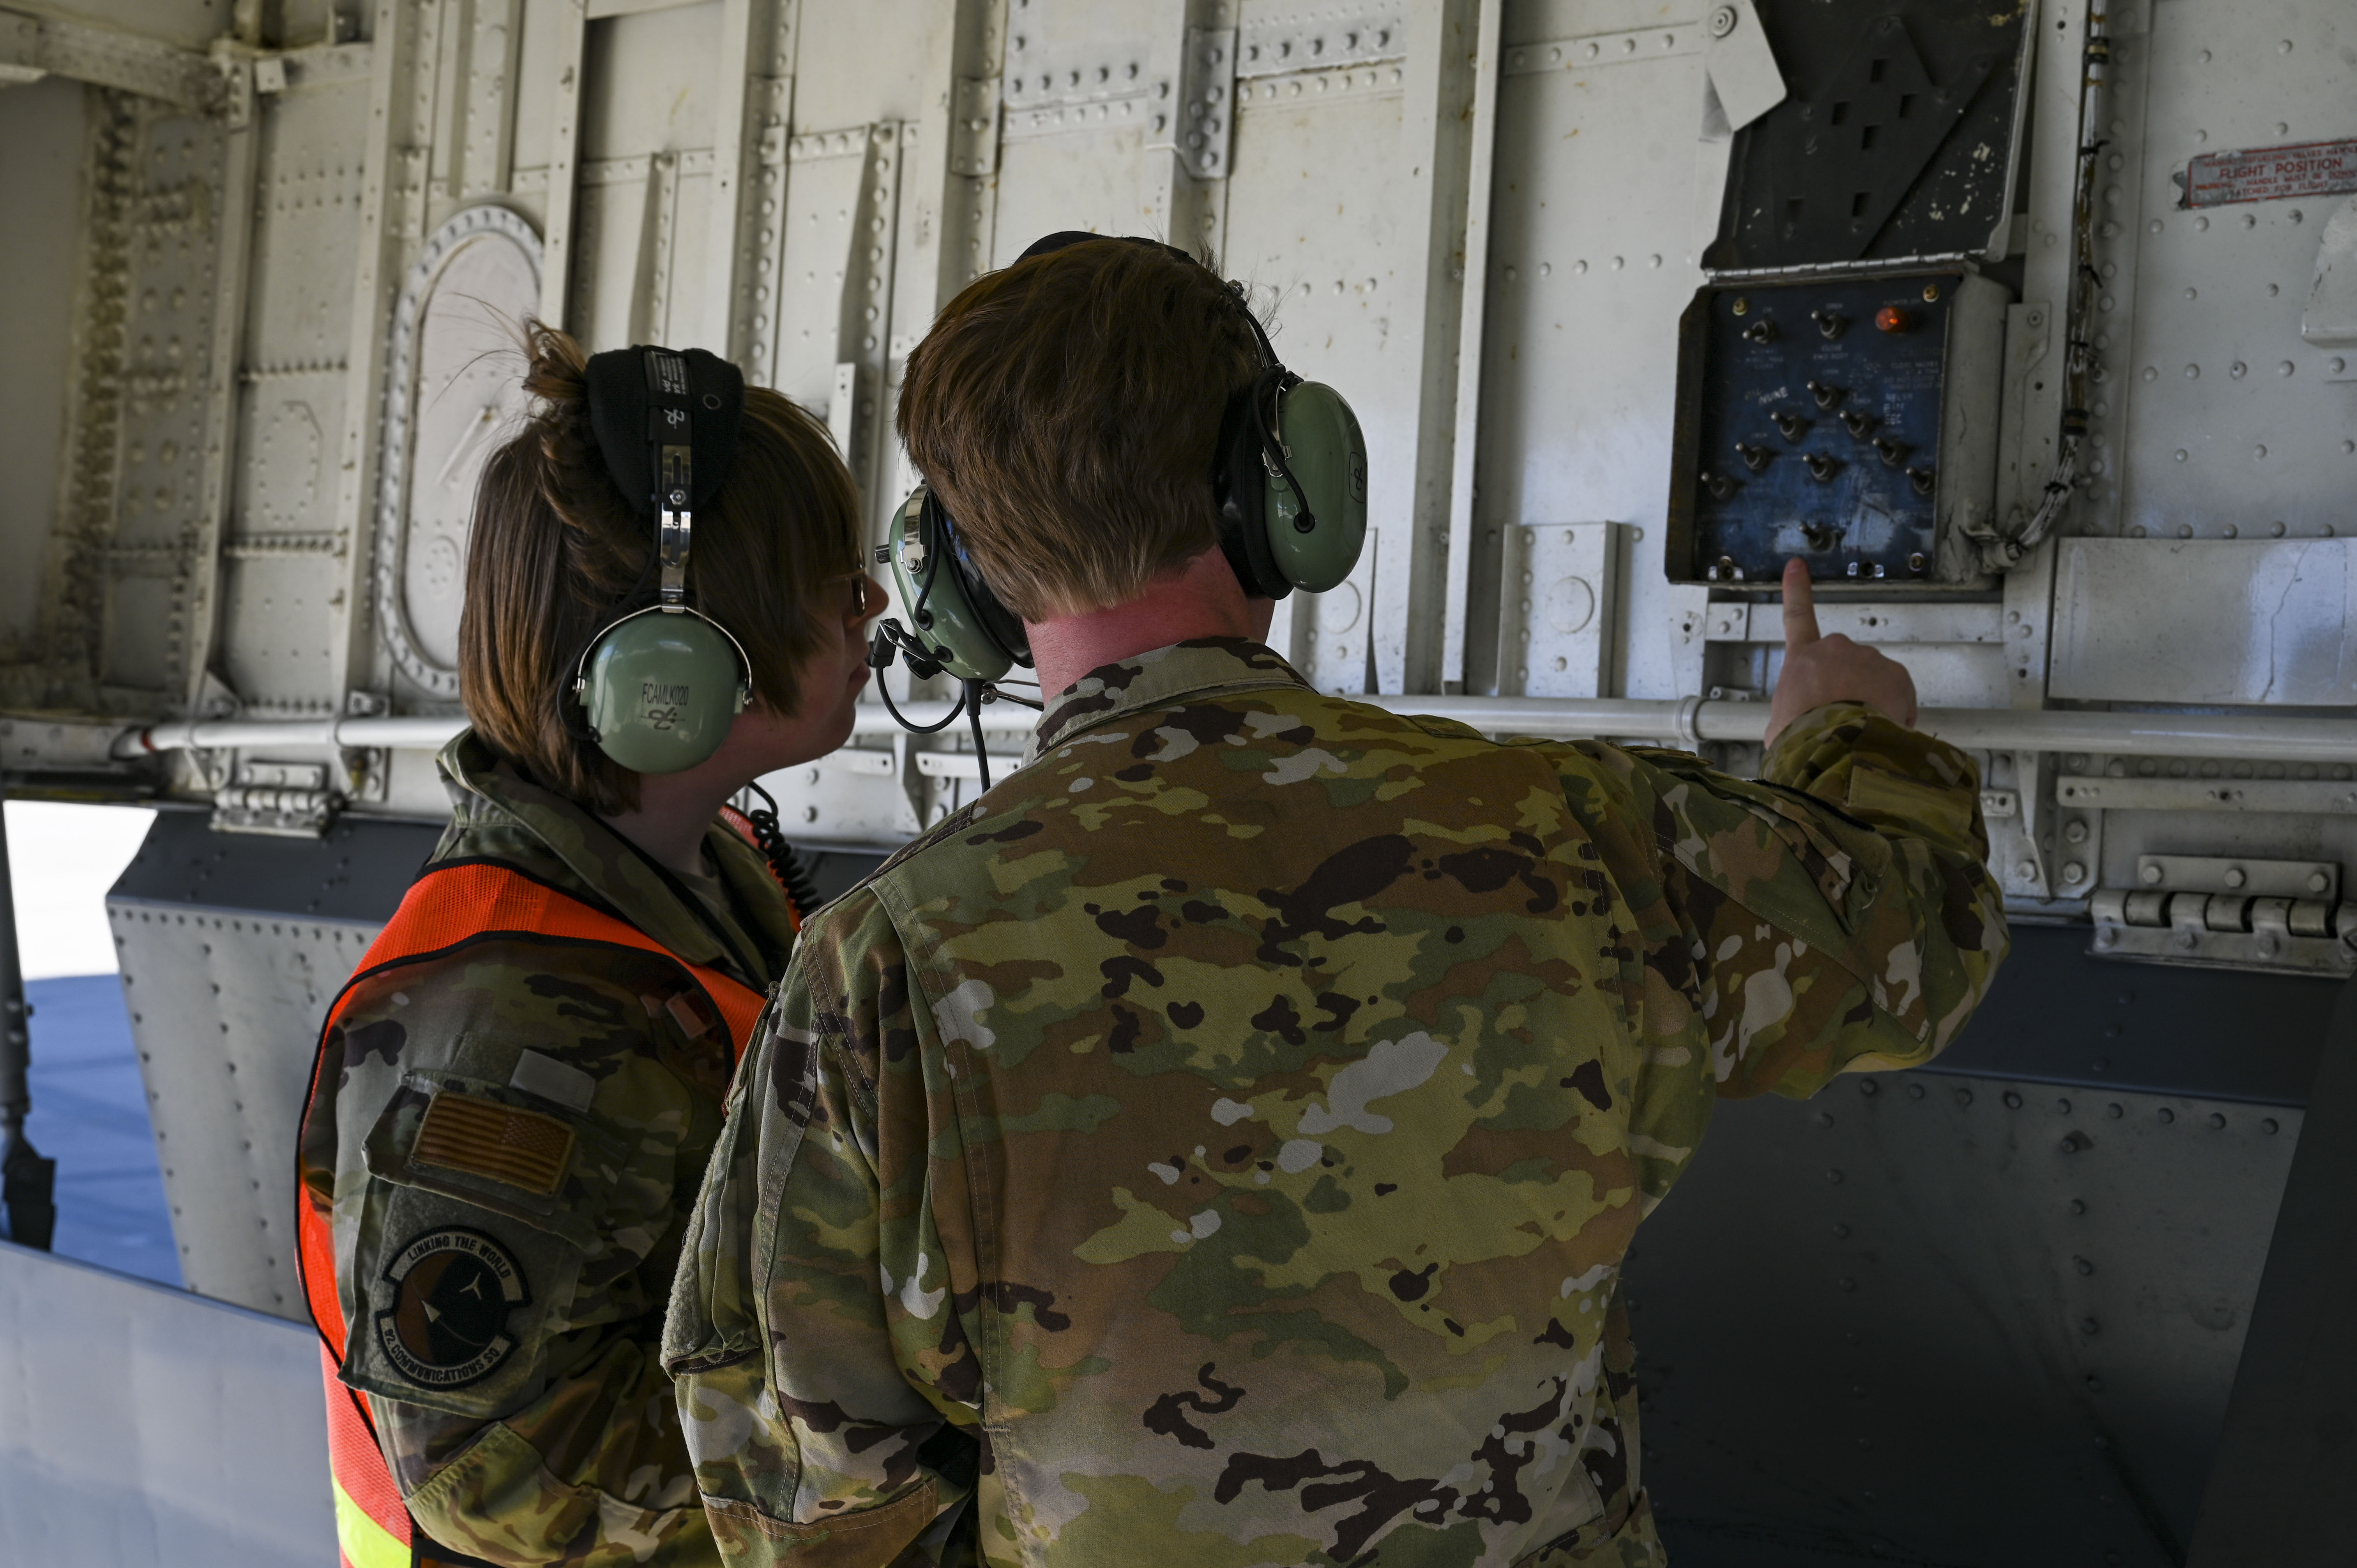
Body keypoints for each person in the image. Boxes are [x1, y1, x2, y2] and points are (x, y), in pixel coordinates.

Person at [664, 237, 2007, 1566]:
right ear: (1284, 484)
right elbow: (1913, 946)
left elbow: (809, 1503)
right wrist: (1847, 740)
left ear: (959, 574)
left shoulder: (876, 973)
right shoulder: (1583, 832)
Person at [295, 324, 880, 1568]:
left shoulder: (689, 885)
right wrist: (878, 1474)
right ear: (666, 668)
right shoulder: (511, 1024)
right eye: (824, 575)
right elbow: (492, 1464)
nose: (866, 602)